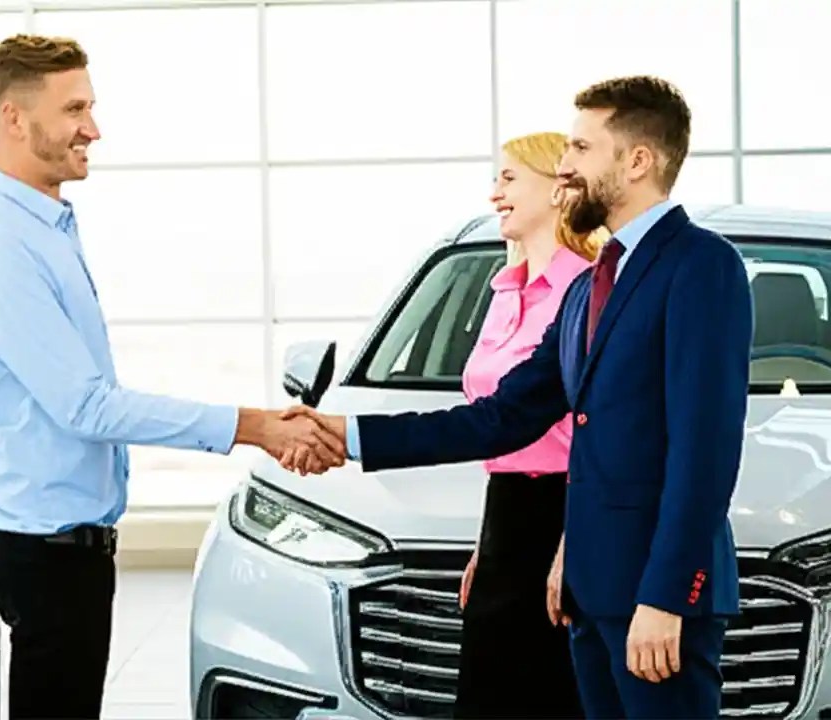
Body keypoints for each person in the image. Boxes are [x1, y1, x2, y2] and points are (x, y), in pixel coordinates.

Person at [283, 75, 751, 719]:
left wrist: (667, 597)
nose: (565, 168)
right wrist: (348, 435)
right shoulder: (589, 289)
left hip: (653, 599)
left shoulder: (701, 265)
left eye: (582, 148)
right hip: (590, 595)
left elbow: (705, 451)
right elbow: (503, 417)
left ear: (638, 160)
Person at [0, 34, 343, 720]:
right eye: (74, 109)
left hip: (67, 553)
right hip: (47, 558)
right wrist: (256, 427)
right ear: (14, 118)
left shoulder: (41, 231)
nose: (92, 129)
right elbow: (86, 407)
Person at [450, 130, 606, 719]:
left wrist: (576, 545)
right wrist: (485, 544)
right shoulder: (502, 292)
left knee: (552, 696)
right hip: (506, 516)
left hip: (567, 513)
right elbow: (496, 429)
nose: (495, 194)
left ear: (557, 188)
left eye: (509, 179)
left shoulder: (589, 291)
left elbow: (599, 433)